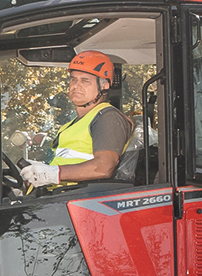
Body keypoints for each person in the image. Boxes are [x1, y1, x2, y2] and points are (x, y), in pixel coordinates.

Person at [23, 49, 133, 189]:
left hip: (78, 201)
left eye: (85, 81)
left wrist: (53, 173)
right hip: (57, 198)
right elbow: (64, 162)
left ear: (104, 86)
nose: (76, 86)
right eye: (73, 79)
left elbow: (103, 167)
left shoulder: (107, 117)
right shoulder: (71, 125)